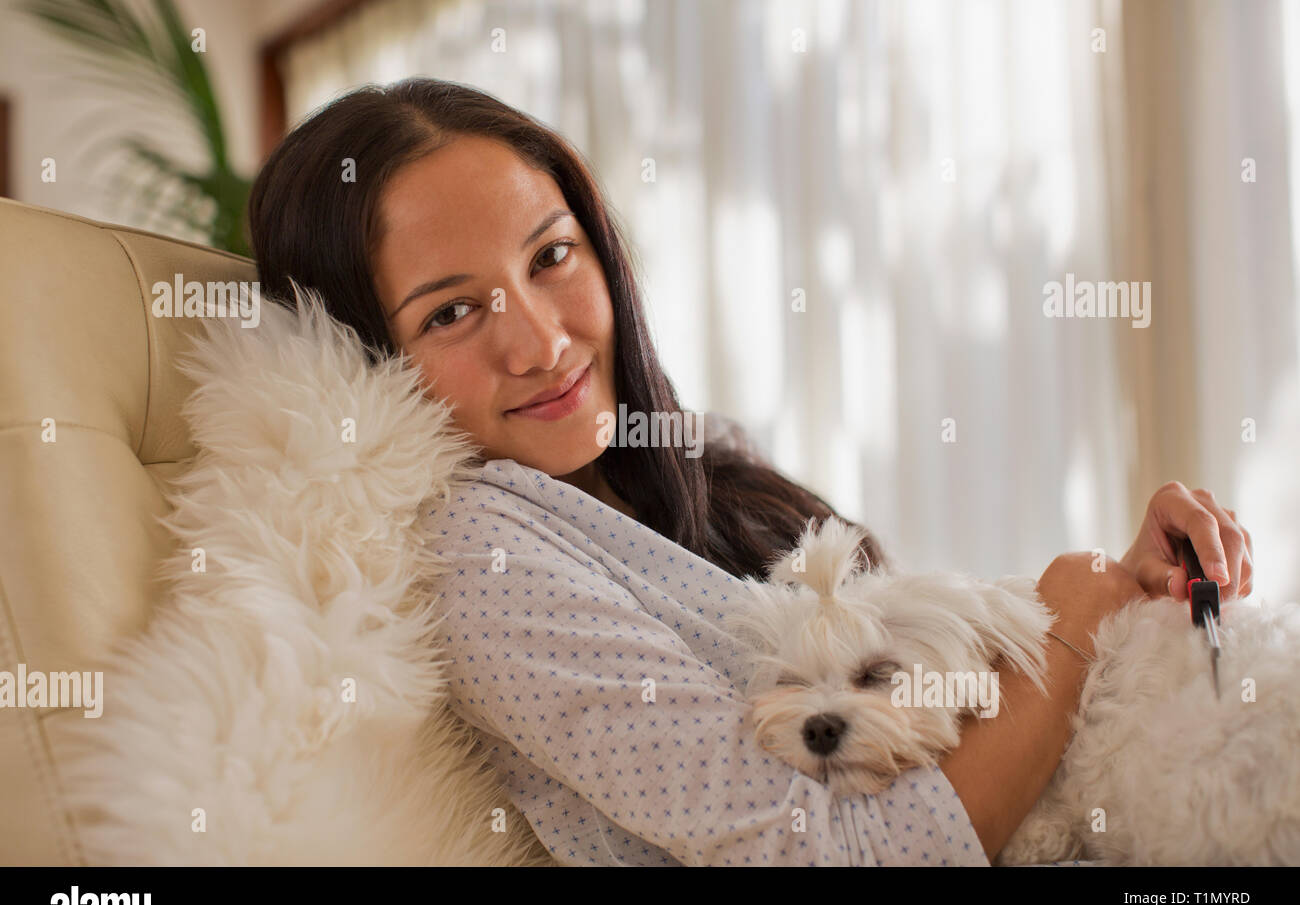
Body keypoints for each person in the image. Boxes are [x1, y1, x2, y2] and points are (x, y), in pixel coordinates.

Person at [246, 77, 1254, 865]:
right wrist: (1068, 630)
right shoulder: (483, 565)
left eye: (551, 257)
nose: (540, 342)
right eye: (451, 312)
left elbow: (931, 713)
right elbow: (843, 855)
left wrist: (1127, 600)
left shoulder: (705, 455)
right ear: (368, 356)